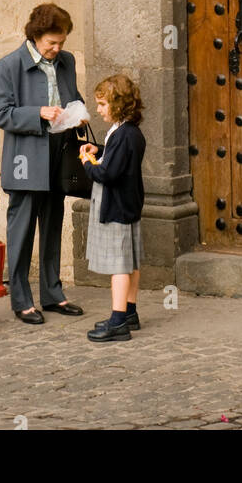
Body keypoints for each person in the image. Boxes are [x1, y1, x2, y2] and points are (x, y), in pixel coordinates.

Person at [0, 2, 84, 325]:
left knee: (53, 226)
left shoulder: (66, 62)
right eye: (51, 44)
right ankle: (21, 299)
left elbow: (74, 97)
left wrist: (77, 112)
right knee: (23, 229)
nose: (57, 49)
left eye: (61, 43)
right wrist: (39, 113)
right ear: (35, 36)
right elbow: (0, 114)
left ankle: (53, 293)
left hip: (59, 154)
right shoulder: (9, 66)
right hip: (25, 159)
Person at [79, 73, 145, 342]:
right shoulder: (129, 132)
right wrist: (99, 148)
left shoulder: (123, 135)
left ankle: (118, 321)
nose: (98, 109)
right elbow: (117, 155)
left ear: (118, 104)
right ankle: (130, 312)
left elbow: (106, 173)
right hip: (129, 205)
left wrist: (86, 161)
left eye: (103, 104)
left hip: (116, 207)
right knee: (130, 260)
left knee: (120, 265)